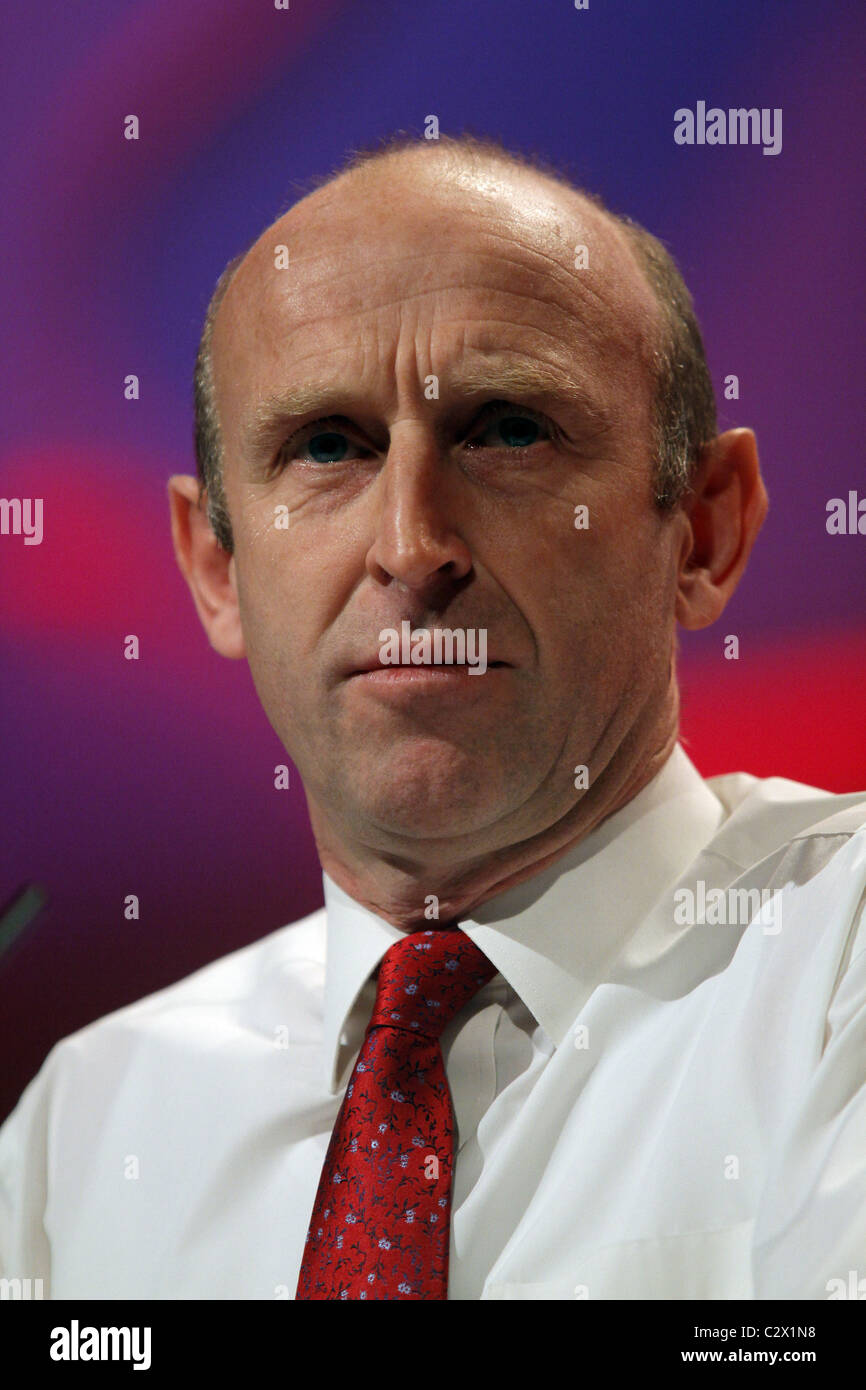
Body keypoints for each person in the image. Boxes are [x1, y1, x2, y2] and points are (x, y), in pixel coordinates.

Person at [1, 133, 864, 1301]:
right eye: (325, 447)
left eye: (506, 429)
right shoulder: (86, 1127)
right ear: (215, 566)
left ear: (702, 531)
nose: (411, 546)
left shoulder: (834, 959)